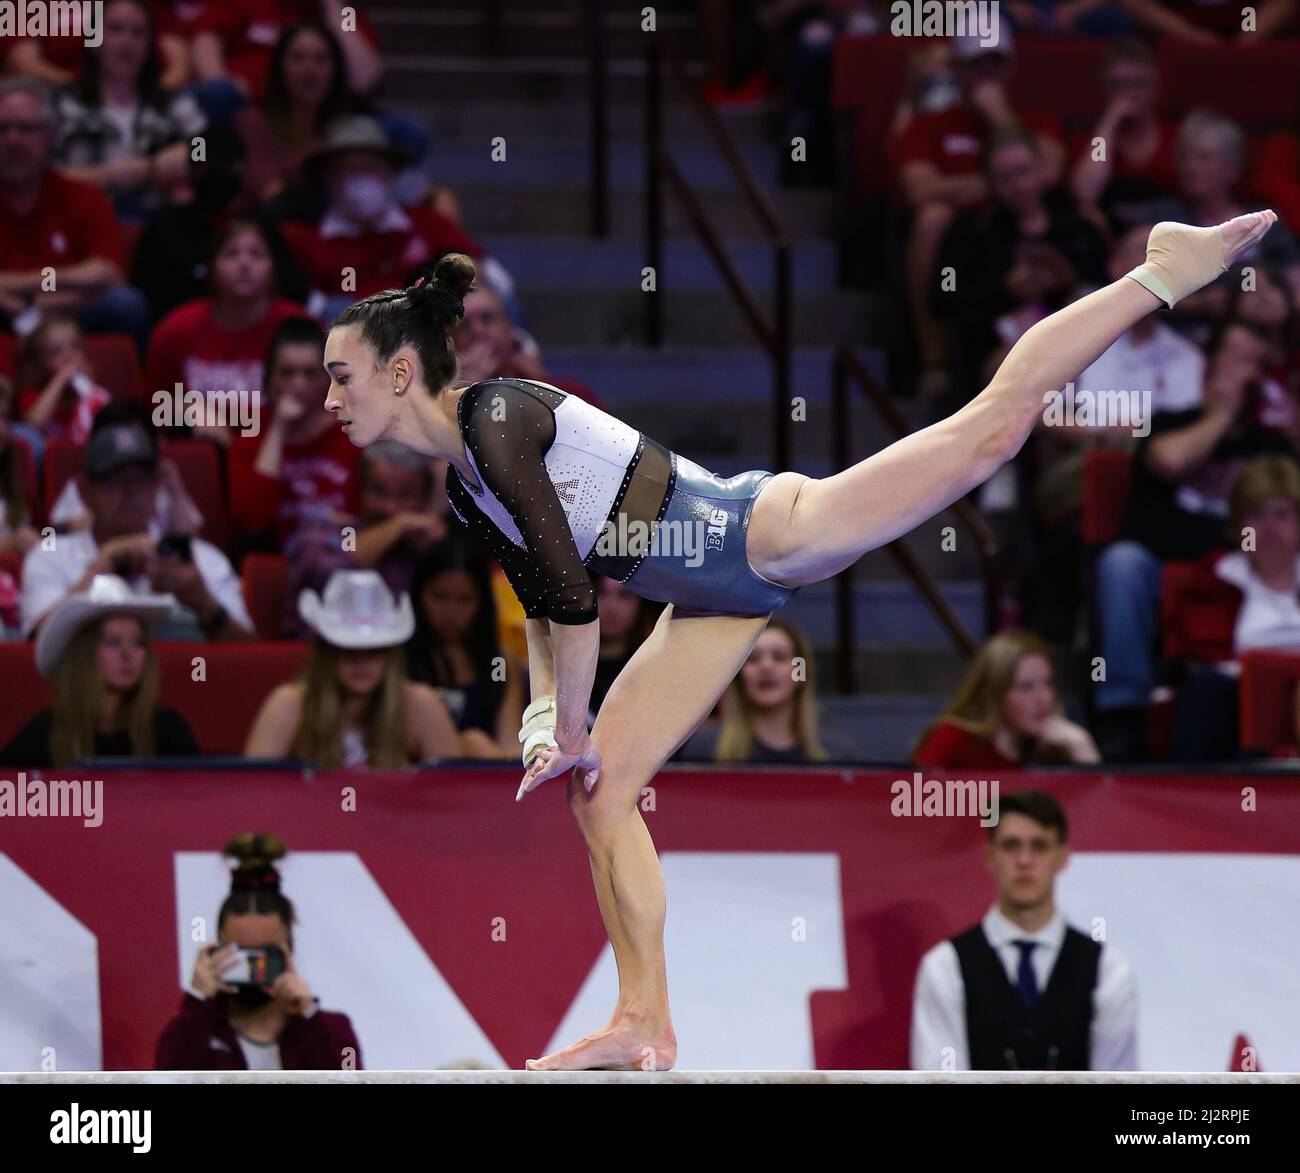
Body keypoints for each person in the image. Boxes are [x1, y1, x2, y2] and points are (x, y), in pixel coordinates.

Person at [320, 212, 1277, 1070]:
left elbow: (575, 600)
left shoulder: (495, 421)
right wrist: (544, 719)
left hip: (766, 534)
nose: (330, 397)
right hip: (703, 601)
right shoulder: (464, 485)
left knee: (990, 429)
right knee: (602, 794)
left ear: (401, 372)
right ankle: (644, 1019)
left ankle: (1157, 271)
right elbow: (539, 598)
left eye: (340, 375)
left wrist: (565, 718)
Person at [910, 791, 1137, 1071]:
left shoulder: (1107, 969)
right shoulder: (946, 966)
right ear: (989, 856)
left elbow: (1115, 1078)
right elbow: (940, 1078)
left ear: (1062, 857)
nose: (1025, 860)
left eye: (1039, 846)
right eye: (1010, 846)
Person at [19, 419, 254, 641]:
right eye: (115, 479)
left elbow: (248, 661)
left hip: (187, 680)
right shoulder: (51, 555)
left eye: (143, 478)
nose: (131, 490)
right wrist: (98, 571)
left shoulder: (202, 559)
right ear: (85, 493)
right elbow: (35, 652)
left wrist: (204, 603)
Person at [155, 832, 363, 1071]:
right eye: (241, 955)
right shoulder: (191, 1032)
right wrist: (198, 1006)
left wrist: (307, 1018)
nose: (254, 967)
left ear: (289, 950)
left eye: (265, 955)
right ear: (216, 951)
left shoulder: (331, 1029)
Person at [243, 569, 462, 765]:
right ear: (327, 653)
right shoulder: (289, 705)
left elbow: (454, 796)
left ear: (390, 654)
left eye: (374, 650)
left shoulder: (419, 704)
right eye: (348, 649)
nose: (361, 662)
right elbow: (252, 795)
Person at [0, 78, 152, 353]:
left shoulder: (85, 197)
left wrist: (26, 298)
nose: (13, 139)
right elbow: (89, 277)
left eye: (26, 129)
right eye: (3, 129)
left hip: (69, 315)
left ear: (50, 136)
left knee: (126, 304)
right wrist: (63, 283)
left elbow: (107, 275)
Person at [1163, 455, 1300, 760]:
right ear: (1238, 526)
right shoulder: (1216, 576)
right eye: (1255, 516)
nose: (1268, 528)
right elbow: (1195, 652)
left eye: (1281, 515)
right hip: (1236, 698)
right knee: (1204, 691)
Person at [0, 574, 199, 766]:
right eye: (113, 643)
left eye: (138, 643)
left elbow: (200, 794)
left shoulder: (167, 731)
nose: (127, 654)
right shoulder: (44, 734)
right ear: (83, 655)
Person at [145, 219, 306, 448]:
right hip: (206, 450)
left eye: (257, 254)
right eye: (231, 254)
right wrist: (186, 411)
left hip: (284, 447)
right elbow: (155, 408)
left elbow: (324, 404)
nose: (244, 264)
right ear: (212, 269)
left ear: (273, 269)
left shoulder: (299, 327)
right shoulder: (175, 331)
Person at [50, 0, 206, 219]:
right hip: (82, 222)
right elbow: (41, 180)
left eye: (138, 33)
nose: (127, 42)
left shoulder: (170, 103)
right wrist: (118, 174)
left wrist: (191, 156)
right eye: (116, 29)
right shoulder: (61, 105)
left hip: (158, 227)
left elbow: (207, 145)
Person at [405, 538, 526, 759]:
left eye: (464, 600)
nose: (451, 612)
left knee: (477, 742)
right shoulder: (398, 659)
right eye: (439, 597)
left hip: (484, 778)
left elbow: (509, 744)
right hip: (416, 781)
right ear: (418, 596)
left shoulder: (501, 661)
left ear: (482, 603)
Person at [913, 630, 1100, 768]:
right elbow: (911, 808)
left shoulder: (1057, 748)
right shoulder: (953, 739)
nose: (1044, 697)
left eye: (1048, 683)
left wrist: (1082, 748)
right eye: (1026, 687)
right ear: (993, 694)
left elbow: (1096, 817)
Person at [677, 615, 852, 763]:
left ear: (800, 673)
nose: (766, 667)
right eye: (753, 658)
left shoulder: (836, 754)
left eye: (779, 657)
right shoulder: (706, 748)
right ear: (739, 676)